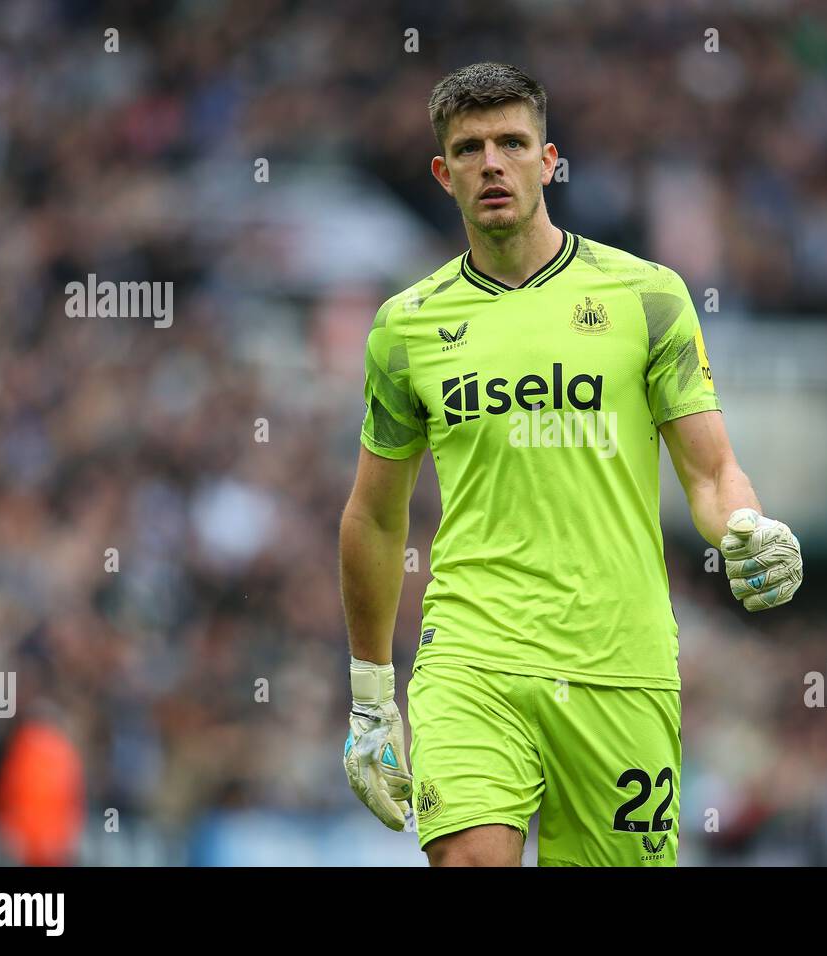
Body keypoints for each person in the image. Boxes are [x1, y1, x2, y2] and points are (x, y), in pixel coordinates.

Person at [340, 62, 802, 866]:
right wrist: (371, 698)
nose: (493, 164)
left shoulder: (647, 296)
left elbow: (708, 470)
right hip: (473, 655)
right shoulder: (404, 328)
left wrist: (749, 527)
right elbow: (375, 516)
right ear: (443, 174)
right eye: (472, 148)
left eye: (512, 143)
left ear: (549, 161)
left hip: (621, 663)